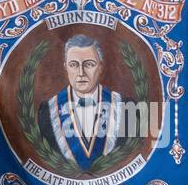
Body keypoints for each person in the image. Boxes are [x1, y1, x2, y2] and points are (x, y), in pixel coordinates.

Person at [35, 34, 131, 172]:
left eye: (89, 64)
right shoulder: (47, 112)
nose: (81, 73)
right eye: (74, 65)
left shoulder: (126, 108)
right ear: (66, 67)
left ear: (101, 67)